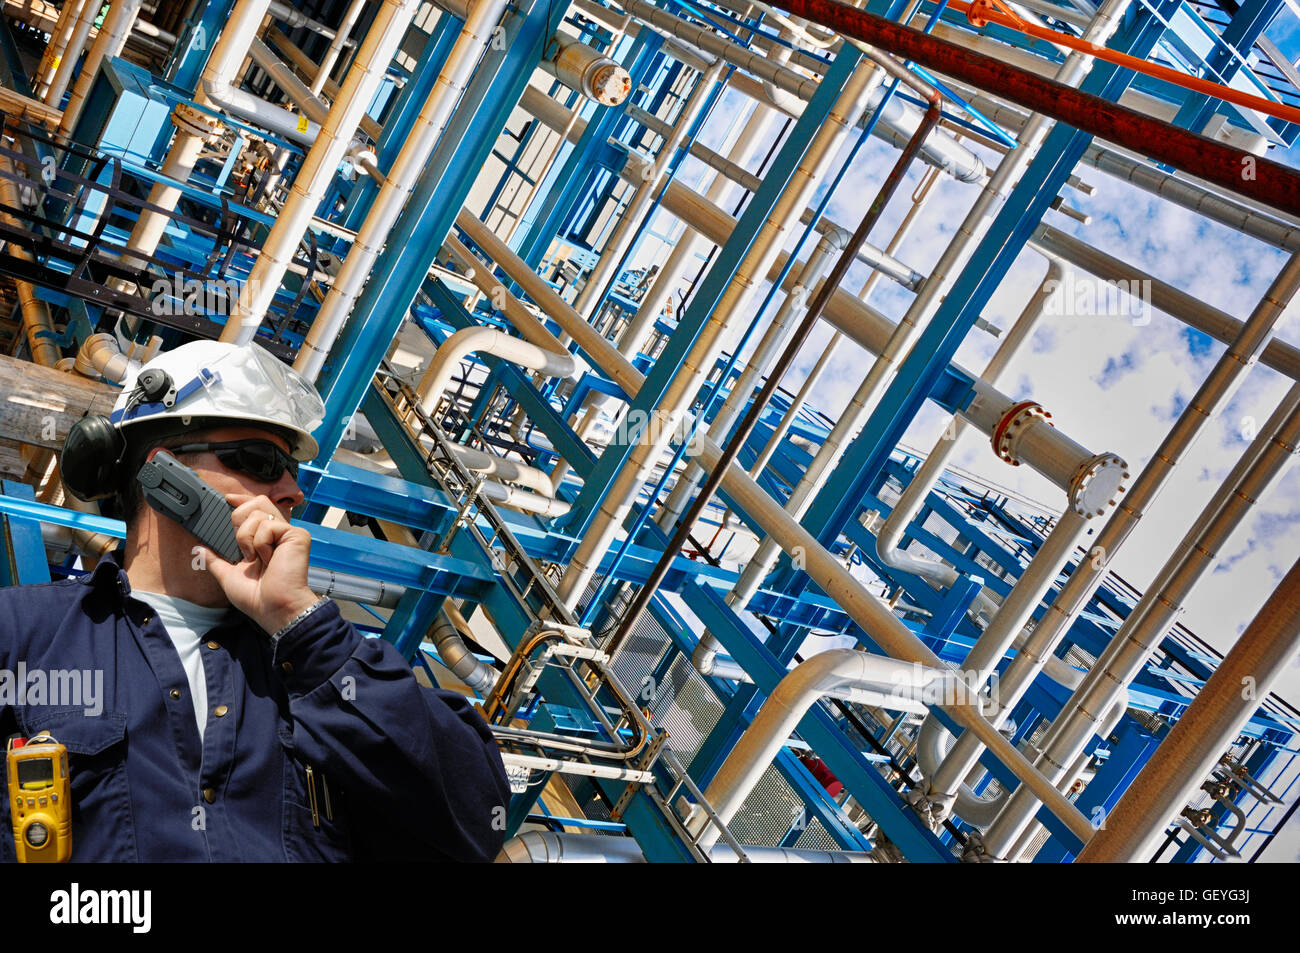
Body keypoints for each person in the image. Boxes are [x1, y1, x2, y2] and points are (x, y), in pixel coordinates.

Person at [0, 340, 510, 861]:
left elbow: (477, 823)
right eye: (261, 461)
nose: (292, 491)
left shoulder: (323, 671)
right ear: (165, 474)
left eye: (293, 470)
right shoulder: (22, 634)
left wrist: (303, 627)